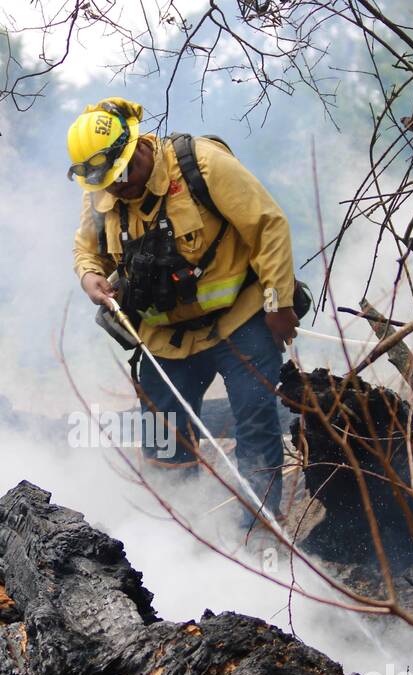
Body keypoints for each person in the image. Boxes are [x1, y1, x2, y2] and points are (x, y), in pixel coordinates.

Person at [67, 97, 299, 528]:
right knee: (162, 436)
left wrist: (277, 305)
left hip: (240, 319)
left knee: (255, 417)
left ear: (138, 147)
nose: (118, 189)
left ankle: (258, 534)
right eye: (108, 184)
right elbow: (87, 248)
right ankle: (177, 539)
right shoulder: (102, 195)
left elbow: (268, 225)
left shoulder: (201, 165)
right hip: (166, 339)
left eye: (123, 176)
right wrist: (89, 277)